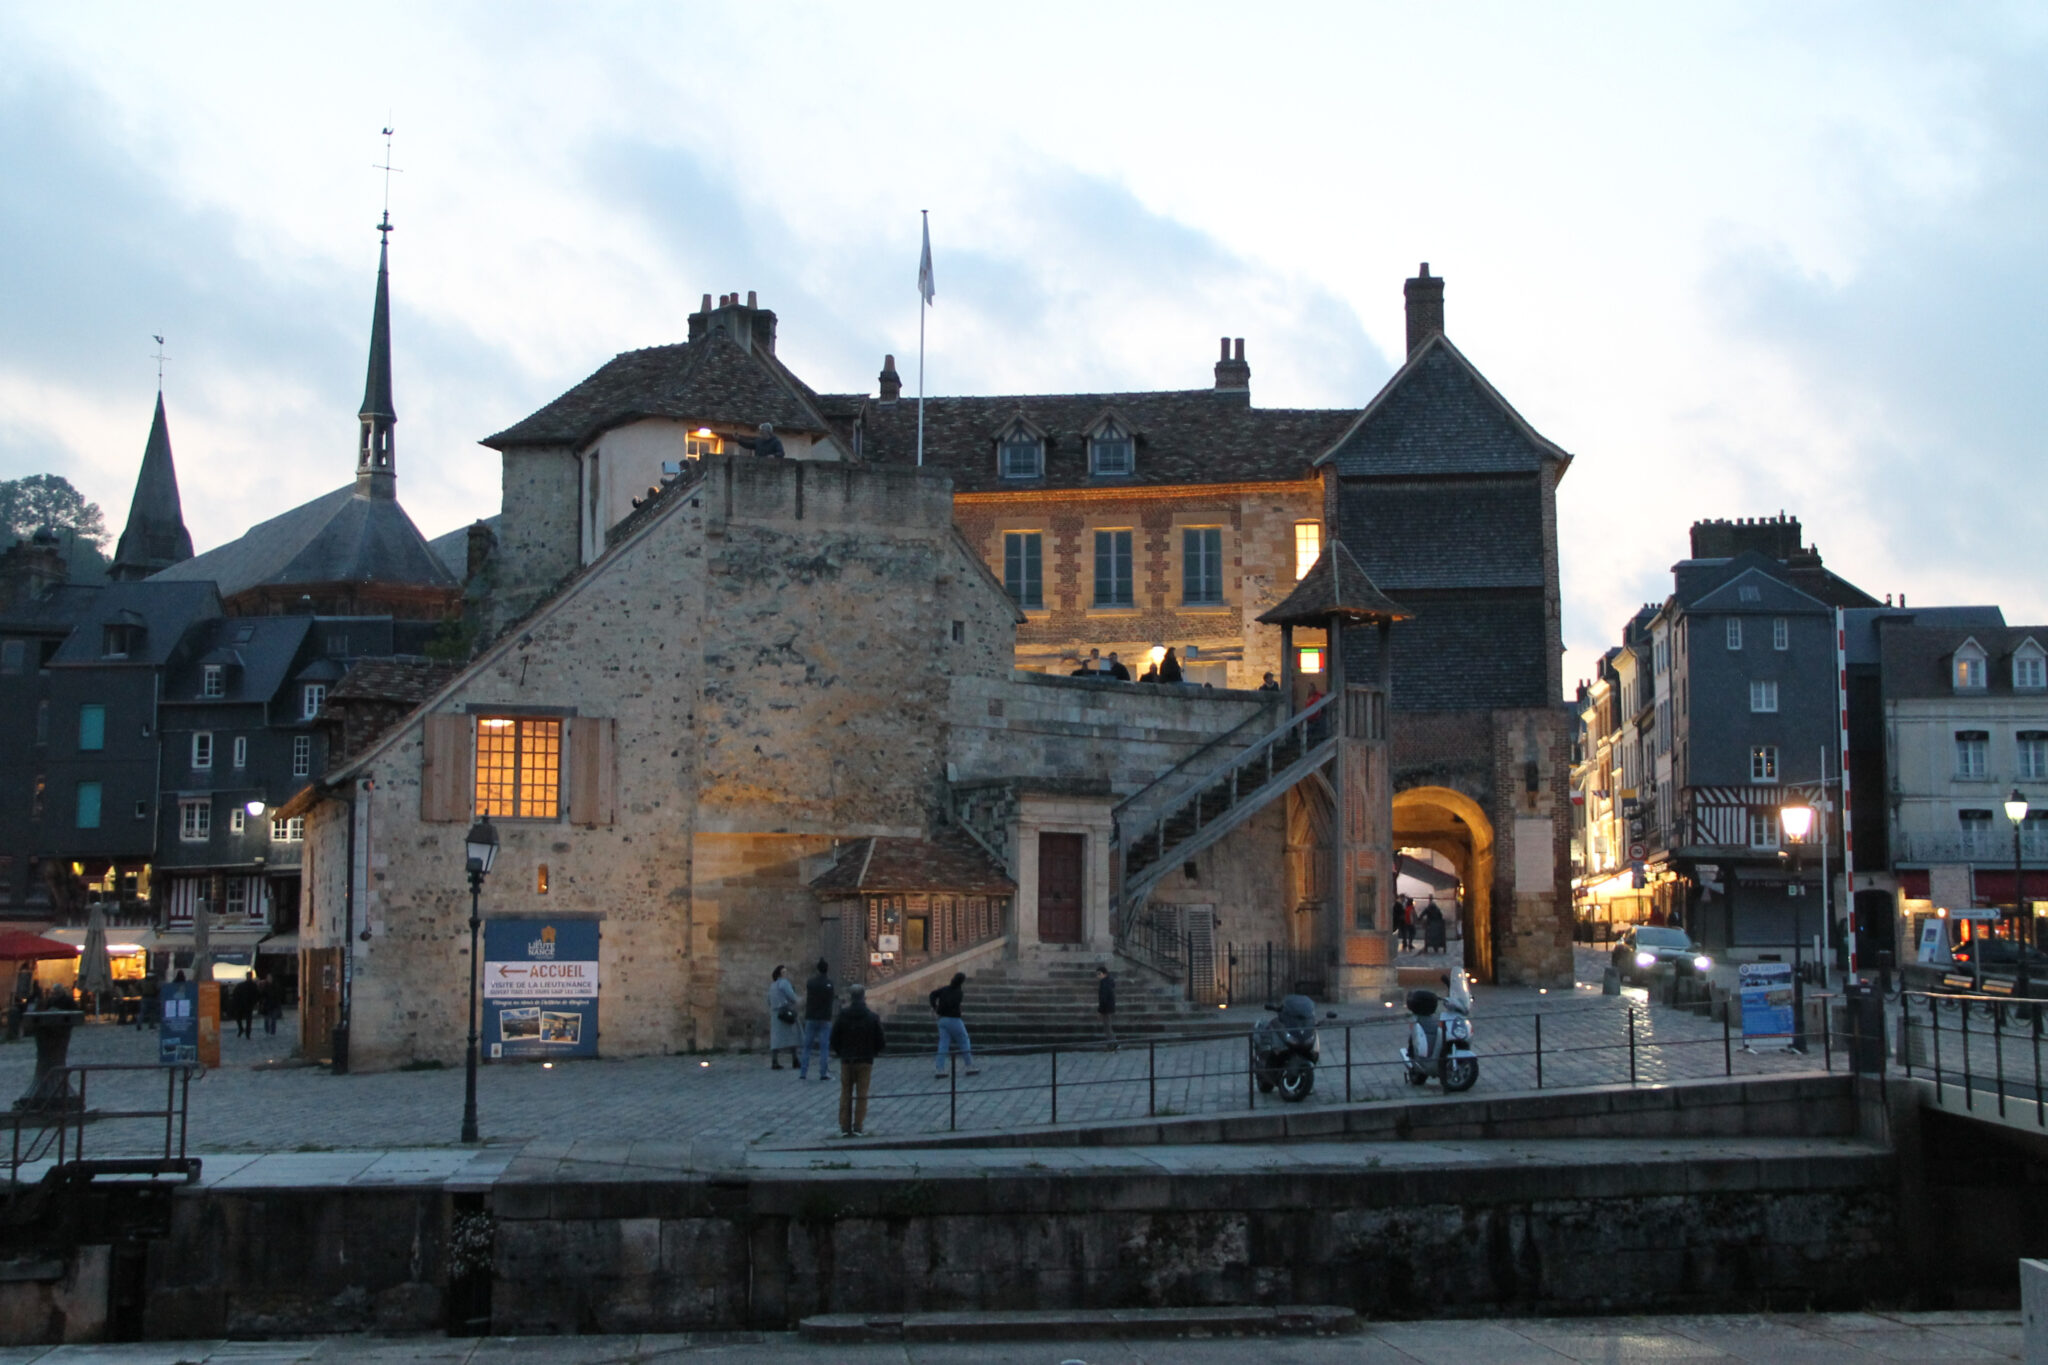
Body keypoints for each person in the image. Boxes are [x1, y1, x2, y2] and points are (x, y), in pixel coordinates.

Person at [829, 983, 886, 1137]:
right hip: (865, 1059)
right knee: (862, 1094)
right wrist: (873, 1052)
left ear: (851, 997)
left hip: (847, 1059)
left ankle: (844, 1125)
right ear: (863, 997)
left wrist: (841, 1052)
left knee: (845, 1093)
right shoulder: (872, 1017)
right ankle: (858, 1126)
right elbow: (881, 1041)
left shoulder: (843, 1015)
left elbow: (834, 1038)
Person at [928, 971, 978, 1076]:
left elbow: (932, 994)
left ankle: (940, 1069)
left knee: (943, 1044)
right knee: (964, 1041)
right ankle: (969, 1066)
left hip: (942, 1019)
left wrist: (934, 1007)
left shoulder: (945, 989)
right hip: (954, 1019)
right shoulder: (959, 992)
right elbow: (954, 1005)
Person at [799, 958, 834, 1081]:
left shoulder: (811, 983)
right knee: (824, 1047)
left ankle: (803, 1072)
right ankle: (823, 1072)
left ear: (817, 969)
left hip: (811, 1016)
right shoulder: (829, 984)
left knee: (807, 1046)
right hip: (824, 1018)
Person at [766, 965, 801, 1070]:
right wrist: (798, 1000)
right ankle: (795, 1060)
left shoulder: (772, 985)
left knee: (776, 1038)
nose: (786, 974)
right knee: (793, 1035)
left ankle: (774, 1061)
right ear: (780, 974)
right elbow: (791, 996)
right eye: (784, 972)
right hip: (786, 1012)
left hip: (775, 1013)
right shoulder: (784, 983)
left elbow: (768, 1000)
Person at [229, 975, 258, 1039]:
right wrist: (254, 1003)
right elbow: (256, 995)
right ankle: (247, 1033)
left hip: (242, 1005)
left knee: (239, 1018)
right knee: (248, 1020)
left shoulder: (241, 985)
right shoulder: (253, 986)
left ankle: (242, 1030)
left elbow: (235, 994)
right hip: (247, 1005)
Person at [1096, 965, 1118, 1049]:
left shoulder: (1104, 983)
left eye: (1099, 974)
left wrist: (1100, 1011)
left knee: (1107, 1027)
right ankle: (1113, 1044)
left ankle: (1112, 1045)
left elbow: (1103, 998)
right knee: (1108, 1027)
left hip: (1106, 1008)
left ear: (1104, 974)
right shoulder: (1108, 981)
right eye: (1097, 974)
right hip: (1108, 1007)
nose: (1098, 976)